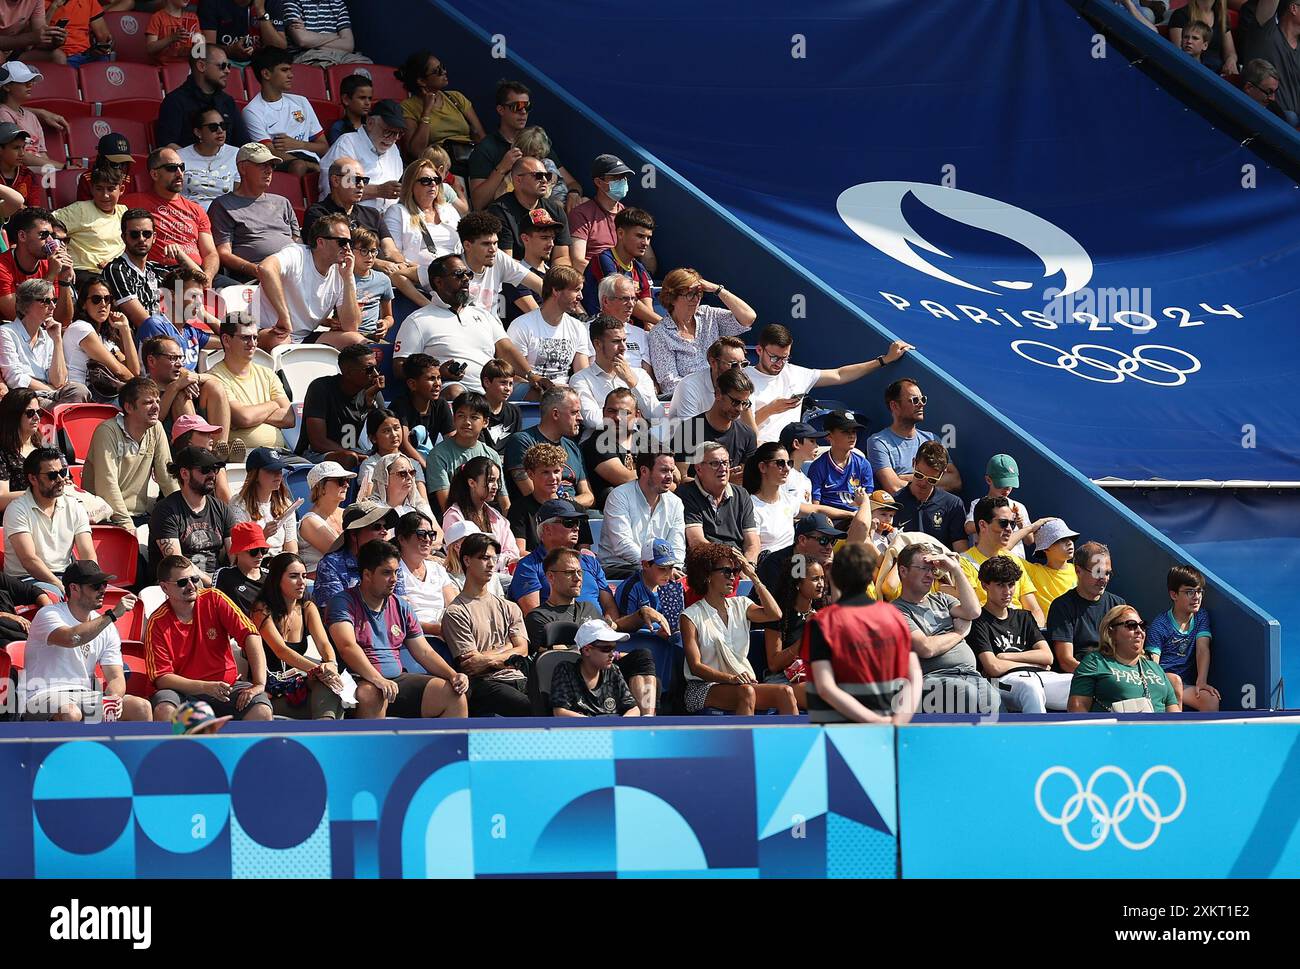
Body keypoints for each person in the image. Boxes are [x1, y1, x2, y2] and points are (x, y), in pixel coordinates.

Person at [328, 539, 470, 719]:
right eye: (386, 573)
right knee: (373, 694)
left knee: (452, 694)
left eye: (396, 572)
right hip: (359, 679)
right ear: (367, 575)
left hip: (396, 682)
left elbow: (424, 652)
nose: (394, 579)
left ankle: (448, 748)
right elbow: (347, 647)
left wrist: (453, 675)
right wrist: (377, 679)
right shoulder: (343, 602)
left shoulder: (401, 605)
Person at [516, 539, 660, 712]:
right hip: (568, 678)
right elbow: (561, 655)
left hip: (601, 670)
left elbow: (610, 633)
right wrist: (612, 654)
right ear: (551, 577)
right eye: (570, 573)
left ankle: (646, 722)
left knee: (642, 657)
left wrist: (641, 614)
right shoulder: (538, 616)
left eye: (579, 572)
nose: (577, 579)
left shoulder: (589, 608)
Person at [144, 553, 272, 722]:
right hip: (183, 693)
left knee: (261, 710)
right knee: (165, 708)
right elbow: (162, 678)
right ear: (164, 587)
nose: (191, 586)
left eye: (195, 579)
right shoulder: (157, 622)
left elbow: (251, 635)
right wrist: (205, 687)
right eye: (182, 582)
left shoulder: (214, 598)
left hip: (227, 687)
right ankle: (174, 749)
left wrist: (259, 684)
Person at [804, 542, 921, 724]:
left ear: (834, 576)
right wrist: (898, 722)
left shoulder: (822, 623)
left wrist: (875, 722)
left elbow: (825, 687)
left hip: (836, 736)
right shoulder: (895, 616)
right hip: (888, 733)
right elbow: (915, 677)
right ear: (870, 579)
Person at [21, 562, 149, 722]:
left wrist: (112, 699)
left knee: (140, 707)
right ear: (74, 588)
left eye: (104, 584)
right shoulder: (48, 614)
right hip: (41, 695)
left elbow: (116, 676)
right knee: (71, 713)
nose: (103, 590)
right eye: (96, 586)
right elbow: (71, 638)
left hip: (84, 695)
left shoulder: (107, 626)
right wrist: (112, 615)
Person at [745, 323, 914, 445]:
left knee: (854, 454)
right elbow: (738, 428)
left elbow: (839, 374)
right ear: (759, 350)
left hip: (796, 450)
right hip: (761, 447)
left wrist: (884, 360)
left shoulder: (796, 373)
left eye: (785, 358)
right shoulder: (743, 380)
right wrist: (771, 409)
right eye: (774, 357)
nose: (779, 363)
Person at [392, 254, 533, 395]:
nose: (466, 279)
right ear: (438, 282)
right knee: (455, 392)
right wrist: (439, 372)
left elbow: (507, 351)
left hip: (494, 389)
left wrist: (532, 376)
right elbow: (399, 366)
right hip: (451, 388)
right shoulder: (417, 320)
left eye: (468, 274)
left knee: (541, 392)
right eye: (458, 274)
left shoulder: (484, 315)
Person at [680, 542, 795, 714]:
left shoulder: (741, 604)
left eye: (735, 571)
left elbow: (774, 614)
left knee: (786, 692)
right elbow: (696, 666)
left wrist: (753, 576)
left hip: (741, 682)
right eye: (726, 571)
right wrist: (731, 679)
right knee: (746, 692)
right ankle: (744, 742)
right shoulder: (690, 615)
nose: (733, 577)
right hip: (703, 687)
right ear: (707, 575)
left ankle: (791, 742)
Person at [892, 542, 999, 715]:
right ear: (903, 571)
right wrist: (958, 633)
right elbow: (926, 648)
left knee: (995, 700)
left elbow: (973, 611)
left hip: (970, 675)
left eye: (932, 570)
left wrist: (955, 569)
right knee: (968, 695)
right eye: (923, 569)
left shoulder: (942, 599)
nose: (930, 575)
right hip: (932, 680)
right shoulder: (896, 610)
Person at [439, 531, 532, 716]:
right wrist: (507, 648)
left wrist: (488, 659)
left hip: (519, 677)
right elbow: (471, 663)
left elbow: (523, 649)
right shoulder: (455, 612)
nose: (491, 564)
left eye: (493, 558)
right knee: (528, 705)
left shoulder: (510, 607)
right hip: (484, 684)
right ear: (466, 560)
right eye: (483, 558)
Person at [249, 551, 346, 720]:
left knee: (331, 687)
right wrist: (319, 671)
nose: (302, 582)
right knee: (330, 692)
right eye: (294, 576)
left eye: (303, 575)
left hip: (297, 683)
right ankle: (328, 733)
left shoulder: (307, 607)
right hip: (271, 689)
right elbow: (281, 651)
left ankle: (325, 728)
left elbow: (324, 644)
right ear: (277, 579)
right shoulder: (261, 610)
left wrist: (330, 664)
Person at [969, 555, 1072, 713]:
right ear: (985, 585)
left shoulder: (1024, 617)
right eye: (1000, 585)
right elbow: (993, 667)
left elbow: (1047, 657)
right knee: (1030, 687)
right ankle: (1036, 736)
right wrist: (1033, 664)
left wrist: (1005, 656)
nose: (1008, 591)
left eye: (1011, 585)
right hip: (1001, 682)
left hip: (1039, 675)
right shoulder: (978, 621)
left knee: (1078, 683)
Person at [255, 211, 364, 349]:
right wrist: (284, 317)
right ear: (320, 242)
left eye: (350, 242)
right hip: (268, 331)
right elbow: (265, 268)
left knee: (356, 341)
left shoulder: (343, 270)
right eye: (342, 242)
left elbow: (351, 326)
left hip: (304, 337)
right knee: (281, 343)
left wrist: (348, 279)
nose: (348, 248)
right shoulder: (296, 254)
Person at [82, 377, 174, 529]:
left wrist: (184, 514)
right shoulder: (107, 431)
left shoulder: (156, 428)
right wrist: (126, 524)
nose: (156, 407)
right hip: (107, 518)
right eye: (148, 402)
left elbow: (167, 477)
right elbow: (107, 486)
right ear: (129, 407)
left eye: (157, 401)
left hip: (140, 516)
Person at [647, 268, 755, 397]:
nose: (696, 299)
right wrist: (710, 390)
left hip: (725, 394)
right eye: (690, 294)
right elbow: (669, 385)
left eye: (699, 293)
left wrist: (718, 289)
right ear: (672, 298)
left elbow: (748, 318)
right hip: (691, 399)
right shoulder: (660, 334)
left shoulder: (708, 315)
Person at [122, 148, 223, 284]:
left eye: (182, 167)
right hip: (163, 275)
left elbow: (210, 253)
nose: (179, 173)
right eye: (171, 168)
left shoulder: (196, 209)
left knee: (237, 294)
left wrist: (208, 277)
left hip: (200, 273)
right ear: (154, 174)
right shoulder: (132, 202)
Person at [2, 447, 93, 593]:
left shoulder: (74, 506)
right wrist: (61, 586)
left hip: (65, 577)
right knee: (59, 596)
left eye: (63, 472)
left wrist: (92, 582)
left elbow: (87, 553)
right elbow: (29, 560)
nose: (60, 479)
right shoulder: (16, 510)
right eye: (52, 475)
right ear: (33, 479)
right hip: (26, 580)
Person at [209, 142, 301, 283]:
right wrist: (257, 270)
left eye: (272, 165)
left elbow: (297, 242)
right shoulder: (223, 205)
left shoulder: (283, 202)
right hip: (255, 278)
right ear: (243, 168)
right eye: (262, 165)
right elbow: (223, 253)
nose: (269, 170)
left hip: (293, 273)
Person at [148, 445, 237, 584]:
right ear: (184, 473)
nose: (212, 475)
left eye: (214, 469)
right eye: (205, 469)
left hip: (216, 580)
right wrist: (215, 585)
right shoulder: (165, 511)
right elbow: (178, 564)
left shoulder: (220, 508)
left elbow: (235, 555)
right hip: (181, 584)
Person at [1067, 605, 1181, 713]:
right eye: (1131, 625)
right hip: (1115, 731)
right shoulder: (1095, 662)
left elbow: (1173, 713)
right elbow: (1077, 707)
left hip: (1157, 731)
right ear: (1111, 631)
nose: (1139, 631)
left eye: (1142, 626)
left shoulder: (1155, 668)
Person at [207, 312, 295, 451]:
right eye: (245, 338)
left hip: (281, 454)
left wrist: (251, 413)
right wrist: (273, 405)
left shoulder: (267, 374)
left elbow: (289, 418)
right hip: (245, 456)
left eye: (255, 337)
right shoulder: (215, 377)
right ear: (226, 340)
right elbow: (243, 418)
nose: (252, 343)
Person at [953, 496, 1045, 627]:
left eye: (1012, 524)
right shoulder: (963, 563)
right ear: (983, 525)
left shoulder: (1014, 560)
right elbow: (973, 612)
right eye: (1003, 523)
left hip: (1023, 632)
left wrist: (1031, 634)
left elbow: (1035, 610)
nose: (1009, 529)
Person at [304, 156, 405, 271]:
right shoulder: (318, 213)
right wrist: (378, 264)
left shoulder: (373, 214)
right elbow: (329, 253)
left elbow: (390, 250)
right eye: (355, 179)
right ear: (336, 180)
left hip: (386, 275)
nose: (361, 185)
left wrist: (401, 263)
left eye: (364, 180)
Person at [501, 385, 592, 507]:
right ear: (555, 414)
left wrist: (568, 502)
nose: (580, 418)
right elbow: (532, 494)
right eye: (574, 412)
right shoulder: (522, 441)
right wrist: (564, 505)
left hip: (573, 513)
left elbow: (589, 497)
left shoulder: (572, 446)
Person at [866, 378, 961, 493]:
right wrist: (933, 482)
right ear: (894, 406)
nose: (921, 404)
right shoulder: (878, 442)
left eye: (923, 399)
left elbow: (955, 481)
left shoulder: (932, 439)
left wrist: (906, 477)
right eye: (915, 400)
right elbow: (894, 488)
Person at [1146, 564, 1220, 711]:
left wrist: (1201, 681)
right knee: (1175, 682)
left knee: (1210, 699)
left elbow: (1202, 649)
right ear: (1174, 595)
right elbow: (1153, 666)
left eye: (1199, 591)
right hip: (1162, 682)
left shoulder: (1201, 617)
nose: (1196, 597)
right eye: (1189, 592)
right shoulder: (1160, 625)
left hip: (1185, 685)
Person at [297, 342, 385, 466]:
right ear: (348, 372)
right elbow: (318, 442)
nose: (376, 374)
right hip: (315, 454)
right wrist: (358, 456)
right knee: (349, 458)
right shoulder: (321, 388)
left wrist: (371, 403)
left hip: (353, 452)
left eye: (377, 367)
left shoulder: (371, 390)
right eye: (369, 369)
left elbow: (386, 432)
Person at [1, 278, 87, 405]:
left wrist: (57, 341)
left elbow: (59, 382)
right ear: (26, 304)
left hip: (50, 395)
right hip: (24, 398)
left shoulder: (49, 336)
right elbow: (15, 378)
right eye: (46, 301)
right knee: (73, 398)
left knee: (80, 390)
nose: (53, 306)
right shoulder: (6, 332)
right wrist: (52, 392)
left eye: (54, 300)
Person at [505, 265, 592, 390]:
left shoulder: (578, 327)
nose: (581, 296)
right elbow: (516, 375)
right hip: (531, 392)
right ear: (556, 290)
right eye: (576, 290)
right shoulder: (522, 325)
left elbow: (581, 373)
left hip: (565, 395)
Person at [570, 313, 662, 431]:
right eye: (616, 341)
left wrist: (632, 382)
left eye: (624, 340)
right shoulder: (581, 379)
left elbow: (656, 415)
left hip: (637, 441)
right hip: (600, 442)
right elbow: (592, 421)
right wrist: (634, 415)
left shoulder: (639, 375)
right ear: (597, 344)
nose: (623, 347)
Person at [1047, 541, 1127, 674]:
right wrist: (1101, 676)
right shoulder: (1062, 606)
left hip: (1116, 675)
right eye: (1098, 572)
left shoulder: (1118, 605)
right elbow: (1066, 661)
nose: (1104, 579)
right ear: (1078, 571)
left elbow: (1127, 649)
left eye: (1107, 573)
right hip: (1082, 678)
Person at [243, 46, 325, 175]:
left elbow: (324, 147)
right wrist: (309, 165)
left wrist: (298, 144)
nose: (291, 75)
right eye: (284, 70)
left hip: (312, 159)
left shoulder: (301, 101)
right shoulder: (252, 111)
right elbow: (269, 152)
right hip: (282, 163)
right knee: (298, 166)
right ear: (266, 74)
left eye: (290, 70)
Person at [569, 154, 655, 275]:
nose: (622, 182)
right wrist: (614, 281)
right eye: (616, 178)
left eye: (624, 177)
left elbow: (650, 263)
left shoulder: (630, 216)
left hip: (630, 282)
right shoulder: (581, 214)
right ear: (599, 182)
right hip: (597, 284)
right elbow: (577, 261)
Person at [486, 153, 575, 266]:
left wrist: (557, 280)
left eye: (547, 176)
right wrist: (539, 280)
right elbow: (506, 262)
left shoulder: (556, 210)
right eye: (538, 175)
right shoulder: (499, 211)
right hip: (515, 279)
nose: (544, 180)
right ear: (518, 180)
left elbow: (561, 257)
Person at [312, 499, 403, 609]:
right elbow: (337, 611)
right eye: (377, 527)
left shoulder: (392, 562)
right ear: (354, 534)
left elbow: (400, 607)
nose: (384, 532)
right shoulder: (331, 565)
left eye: (385, 527)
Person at [396, 49, 485, 161]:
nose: (444, 72)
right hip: (440, 163)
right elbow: (416, 151)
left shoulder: (456, 97)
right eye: (437, 71)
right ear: (422, 81)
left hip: (470, 159)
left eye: (442, 67)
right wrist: (427, 110)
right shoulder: (408, 107)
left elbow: (481, 137)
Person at [157, 45, 252, 150]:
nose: (227, 71)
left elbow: (244, 144)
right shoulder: (174, 102)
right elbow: (167, 145)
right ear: (201, 66)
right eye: (222, 66)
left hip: (228, 164)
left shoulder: (227, 101)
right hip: (189, 165)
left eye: (229, 66)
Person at [763, 552, 827, 708]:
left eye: (822, 578)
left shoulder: (823, 613)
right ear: (798, 583)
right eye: (814, 579)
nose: (821, 584)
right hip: (782, 680)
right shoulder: (778, 616)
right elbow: (774, 664)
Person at [316, 99, 405, 211]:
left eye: (398, 134)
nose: (393, 139)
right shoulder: (347, 143)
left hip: (387, 220)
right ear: (370, 123)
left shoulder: (394, 150)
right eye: (388, 132)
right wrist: (378, 190)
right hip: (349, 218)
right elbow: (335, 190)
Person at [442, 454, 521, 579]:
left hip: (499, 576)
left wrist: (502, 561)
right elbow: (467, 556)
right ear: (472, 482)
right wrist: (503, 561)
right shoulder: (454, 515)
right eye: (490, 480)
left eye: (497, 480)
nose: (495, 486)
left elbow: (512, 551)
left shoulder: (496, 516)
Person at [140, 334, 231, 439]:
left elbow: (216, 380)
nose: (180, 364)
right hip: (170, 449)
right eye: (173, 358)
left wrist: (194, 377)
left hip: (203, 444)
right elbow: (151, 424)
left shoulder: (183, 379)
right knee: (180, 396)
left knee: (214, 386)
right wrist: (175, 388)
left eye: (180, 358)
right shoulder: (141, 389)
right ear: (152, 361)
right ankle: (197, 452)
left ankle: (219, 448)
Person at [681, 441, 760, 561]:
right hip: (707, 566)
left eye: (725, 463)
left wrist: (748, 565)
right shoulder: (686, 494)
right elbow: (697, 542)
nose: (723, 468)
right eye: (715, 463)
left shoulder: (741, 494)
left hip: (740, 565)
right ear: (698, 468)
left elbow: (752, 543)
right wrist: (727, 565)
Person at [673, 367, 757, 479]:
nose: (740, 409)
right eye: (735, 402)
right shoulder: (688, 430)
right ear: (718, 394)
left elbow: (744, 479)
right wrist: (721, 482)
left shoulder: (747, 435)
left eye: (745, 403)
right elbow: (681, 479)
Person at [505, 442, 591, 550]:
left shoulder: (577, 509)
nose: (553, 478)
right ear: (531, 474)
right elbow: (519, 552)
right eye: (545, 472)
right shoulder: (519, 509)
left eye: (556, 471)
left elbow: (585, 552)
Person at [382, 157, 460, 275]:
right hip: (417, 274)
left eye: (436, 179)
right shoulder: (397, 212)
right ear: (411, 185)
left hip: (457, 272)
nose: (433, 184)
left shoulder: (449, 209)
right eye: (425, 180)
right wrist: (424, 272)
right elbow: (393, 253)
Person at [549, 619, 641, 718]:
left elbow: (634, 709)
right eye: (606, 649)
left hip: (612, 731)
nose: (612, 654)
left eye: (613, 648)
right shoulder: (566, 671)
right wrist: (597, 726)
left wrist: (619, 726)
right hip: (583, 732)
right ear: (587, 650)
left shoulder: (613, 671)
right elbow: (560, 712)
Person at [427, 392, 503, 510]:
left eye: (474, 417)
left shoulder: (492, 455)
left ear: (485, 422)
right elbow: (446, 505)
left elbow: (503, 499)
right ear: (454, 418)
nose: (467, 422)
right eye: (461, 415)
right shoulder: (438, 455)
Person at [580, 206, 656, 322]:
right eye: (640, 236)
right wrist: (662, 323)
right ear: (620, 233)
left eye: (648, 238)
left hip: (627, 332)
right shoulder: (602, 259)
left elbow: (648, 308)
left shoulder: (639, 269)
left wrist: (651, 325)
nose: (645, 243)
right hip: (598, 329)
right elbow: (621, 297)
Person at [0, 207, 75, 325]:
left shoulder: (50, 264)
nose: (51, 241)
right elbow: (19, 317)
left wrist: (64, 281)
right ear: (22, 236)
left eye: (51, 235)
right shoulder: (2, 267)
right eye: (44, 235)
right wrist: (50, 277)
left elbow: (62, 320)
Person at [458, 209, 541, 316]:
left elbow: (541, 285)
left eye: (495, 243)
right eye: (486, 244)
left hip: (493, 328)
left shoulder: (498, 257)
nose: (493, 249)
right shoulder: (452, 270)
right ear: (467, 245)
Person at [890, 440, 968, 552]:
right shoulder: (894, 502)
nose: (923, 483)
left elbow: (961, 552)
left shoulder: (953, 504)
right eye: (919, 475)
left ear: (942, 474)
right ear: (913, 463)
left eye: (931, 480)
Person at [467, 80, 532, 210]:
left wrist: (573, 193)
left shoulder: (533, 141)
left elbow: (570, 182)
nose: (523, 112)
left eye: (527, 106)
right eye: (517, 106)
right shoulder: (485, 148)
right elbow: (478, 203)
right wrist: (502, 168)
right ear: (501, 109)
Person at [54, 168, 127, 280]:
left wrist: (114, 264)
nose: (105, 195)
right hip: (84, 273)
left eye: (111, 189)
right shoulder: (80, 209)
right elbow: (45, 222)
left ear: (121, 190)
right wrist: (60, 249)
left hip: (116, 272)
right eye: (99, 189)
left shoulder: (124, 212)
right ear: (92, 189)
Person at [231, 445, 300, 557]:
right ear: (255, 475)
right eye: (271, 470)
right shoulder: (238, 504)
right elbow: (239, 554)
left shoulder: (285, 504)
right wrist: (263, 536)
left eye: (279, 470)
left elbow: (291, 547)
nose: (278, 475)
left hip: (280, 565)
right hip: (254, 563)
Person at [0, 62, 69, 171]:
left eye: (31, 82)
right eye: (24, 82)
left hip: (39, 170)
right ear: (7, 86)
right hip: (18, 170)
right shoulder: (2, 114)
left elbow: (42, 155)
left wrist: (57, 171)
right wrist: (63, 168)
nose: (30, 85)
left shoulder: (32, 117)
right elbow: (20, 155)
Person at [612, 538, 686, 637]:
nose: (668, 574)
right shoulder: (630, 588)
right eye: (662, 568)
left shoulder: (671, 586)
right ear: (646, 565)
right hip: (639, 642)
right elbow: (621, 628)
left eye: (671, 567)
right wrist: (655, 632)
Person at [395, 510, 451, 640]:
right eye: (421, 534)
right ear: (402, 539)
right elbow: (395, 615)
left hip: (444, 633)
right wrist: (436, 629)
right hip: (412, 637)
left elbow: (453, 605)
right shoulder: (393, 571)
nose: (427, 539)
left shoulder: (437, 569)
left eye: (431, 534)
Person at [579, 387, 639, 509]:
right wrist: (658, 474)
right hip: (612, 512)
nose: (617, 417)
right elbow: (625, 478)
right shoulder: (597, 443)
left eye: (625, 413)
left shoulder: (645, 439)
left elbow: (673, 478)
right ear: (603, 413)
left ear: (637, 415)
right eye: (611, 411)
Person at [753, 512, 843, 592]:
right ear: (802, 540)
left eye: (832, 541)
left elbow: (841, 605)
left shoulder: (826, 565)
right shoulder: (776, 564)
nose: (829, 547)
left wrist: (830, 578)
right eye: (824, 540)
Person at [665, 335, 747, 423]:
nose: (740, 370)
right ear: (713, 362)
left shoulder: (744, 385)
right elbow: (690, 433)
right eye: (733, 365)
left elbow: (749, 432)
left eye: (743, 364)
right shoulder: (689, 386)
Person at [962, 454, 1032, 556]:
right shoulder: (978, 503)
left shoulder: (1019, 507)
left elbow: (1029, 541)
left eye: (1010, 485)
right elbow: (968, 527)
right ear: (988, 480)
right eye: (1002, 484)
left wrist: (1021, 525)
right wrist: (994, 521)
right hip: (988, 562)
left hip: (1016, 565)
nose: (1007, 490)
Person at [392, 352, 452, 471]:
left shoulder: (441, 404)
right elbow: (404, 444)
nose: (437, 384)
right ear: (412, 384)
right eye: (431, 379)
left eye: (439, 378)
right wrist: (428, 468)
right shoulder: (400, 406)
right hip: (405, 465)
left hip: (431, 463)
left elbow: (451, 440)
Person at [743, 442, 802, 558]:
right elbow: (753, 548)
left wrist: (848, 514)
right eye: (780, 463)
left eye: (789, 463)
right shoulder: (751, 506)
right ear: (762, 467)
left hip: (791, 562)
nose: (787, 468)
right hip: (768, 565)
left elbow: (817, 510)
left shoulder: (787, 499)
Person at [807, 409, 872, 513]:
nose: (852, 436)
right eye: (845, 431)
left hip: (857, 515)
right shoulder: (818, 466)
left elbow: (868, 496)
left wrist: (861, 504)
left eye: (854, 431)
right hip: (831, 518)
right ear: (829, 436)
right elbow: (815, 504)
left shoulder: (863, 464)